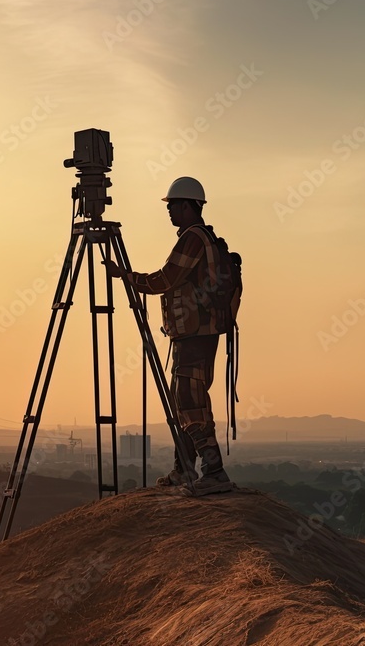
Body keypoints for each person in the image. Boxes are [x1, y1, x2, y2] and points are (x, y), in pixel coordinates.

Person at [103, 176, 233, 495]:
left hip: (196, 336)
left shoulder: (193, 238)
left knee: (190, 401)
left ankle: (214, 472)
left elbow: (166, 279)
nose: (170, 211)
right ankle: (184, 469)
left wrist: (126, 277)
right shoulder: (200, 238)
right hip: (192, 334)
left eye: (173, 205)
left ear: (188, 206)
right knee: (182, 403)